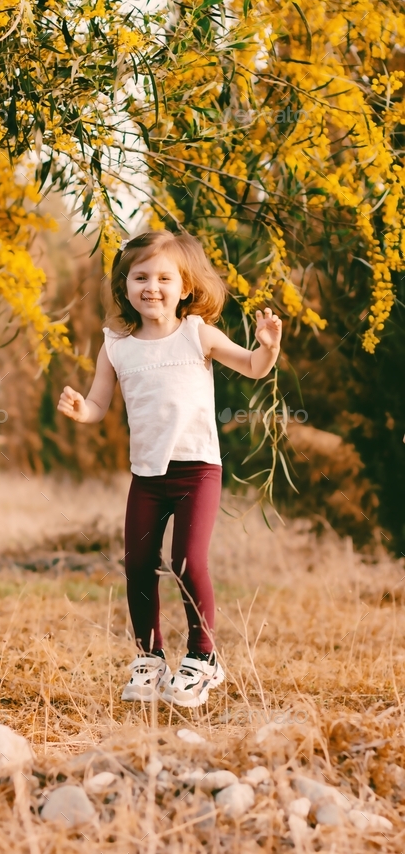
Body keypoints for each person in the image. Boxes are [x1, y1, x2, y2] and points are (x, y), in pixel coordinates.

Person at [57, 231, 282, 708]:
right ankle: (150, 657)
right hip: (148, 476)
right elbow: (99, 402)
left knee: (186, 562)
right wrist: (82, 409)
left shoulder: (195, 333)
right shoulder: (116, 346)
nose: (152, 287)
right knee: (138, 566)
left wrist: (267, 348)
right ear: (125, 286)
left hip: (198, 469)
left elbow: (253, 367)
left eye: (164, 277)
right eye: (140, 277)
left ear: (184, 287)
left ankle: (203, 659)